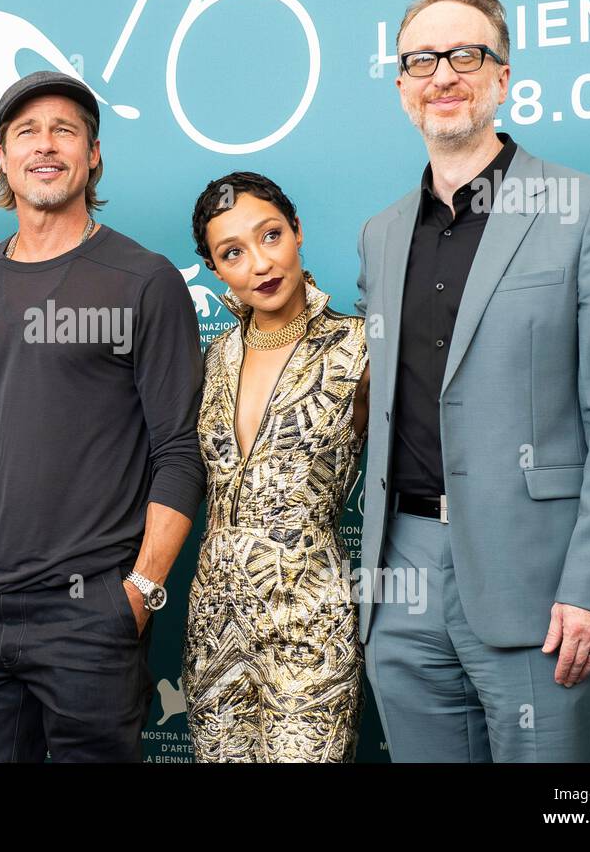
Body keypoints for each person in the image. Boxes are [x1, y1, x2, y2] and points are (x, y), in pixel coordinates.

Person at [355, 0, 590, 762]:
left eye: (465, 54)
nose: (443, 76)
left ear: (502, 78)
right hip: (403, 577)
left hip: (542, 583)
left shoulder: (586, 210)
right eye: (422, 60)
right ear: (400, 88)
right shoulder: (380, 237)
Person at [0, 71, 205, 762]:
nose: (45, 145)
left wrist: (138, 593)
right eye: (26, 132)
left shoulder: (144, 280)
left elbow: (178, 451)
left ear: (93, 154)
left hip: (90, 615)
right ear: (1, 155)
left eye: (64, 131)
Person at [182, 171, 370, 762]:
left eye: (270, 236)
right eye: (232, 252)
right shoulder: (213, 359)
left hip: (310, 628)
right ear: (217, 271)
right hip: (213, 632)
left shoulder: (361, 347)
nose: (259, 264)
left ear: (298, 233)